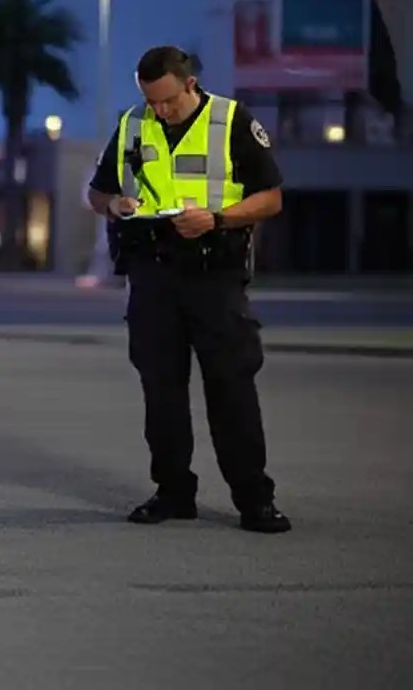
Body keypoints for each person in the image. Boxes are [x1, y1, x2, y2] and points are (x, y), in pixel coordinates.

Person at [86, 46, 291, 534]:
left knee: (231, 387)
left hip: (214, 274)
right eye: (152, 101)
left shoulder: (232, 121)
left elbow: (272, 198)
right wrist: (113, 203)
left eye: (168, 101)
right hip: (153, 274)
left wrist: (217, 218)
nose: (160, 110)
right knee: (161, 391)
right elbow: (95, 191)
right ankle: (174, 492)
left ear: (190, 85)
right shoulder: (133, 124)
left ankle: (254, 500)